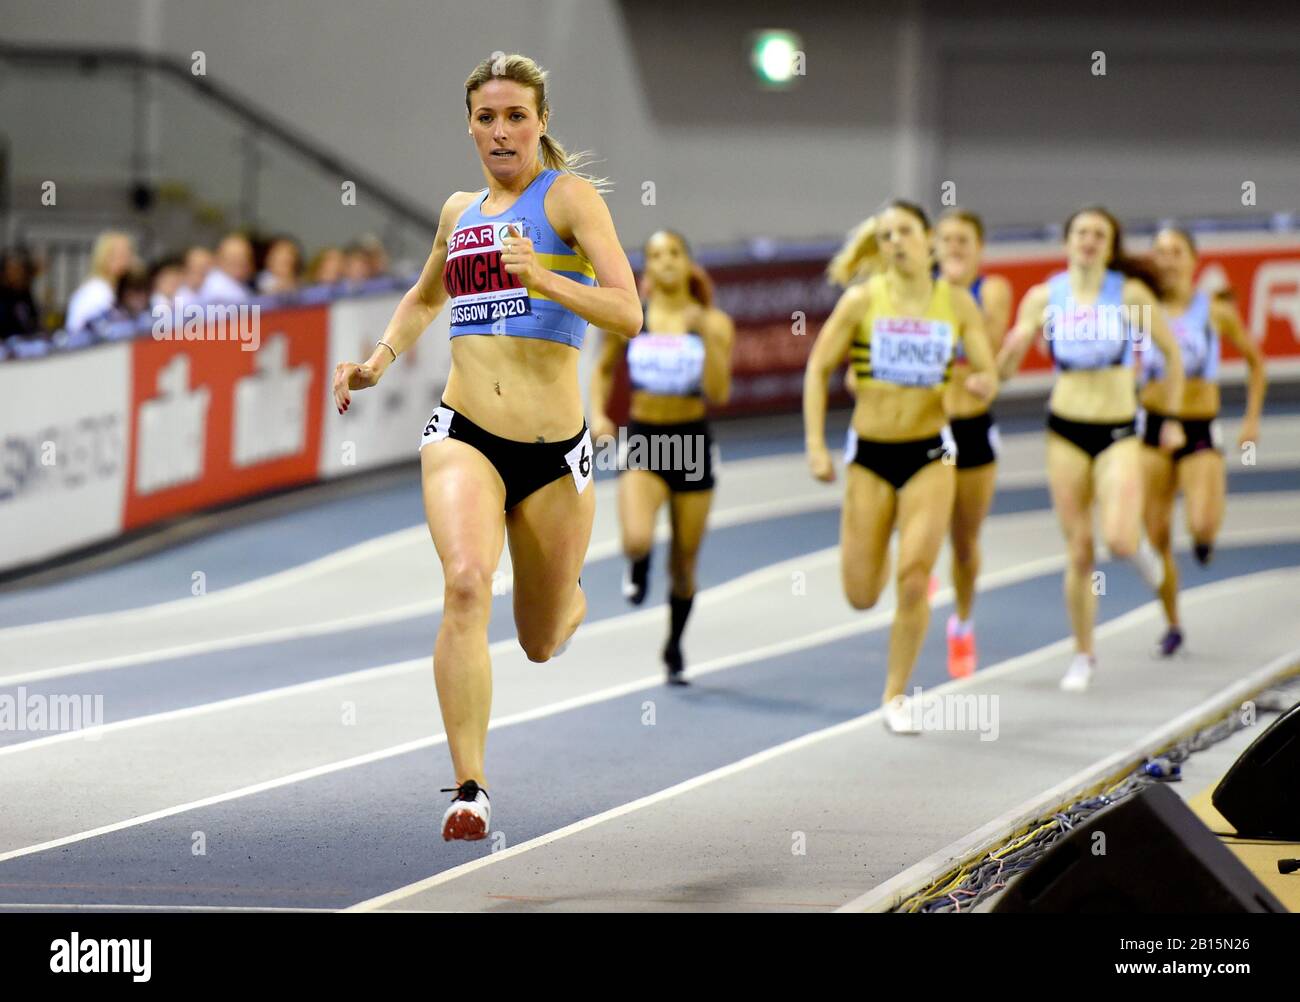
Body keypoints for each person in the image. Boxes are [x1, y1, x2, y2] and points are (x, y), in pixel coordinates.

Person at [332, 53, 641, 840]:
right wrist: (377, 361)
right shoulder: (459, 211)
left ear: (540, 122)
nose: (501, 130)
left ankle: (569, 599)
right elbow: (427, 292)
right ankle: (470, 788)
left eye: (516, 116)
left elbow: (627, 311)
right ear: (469, 124)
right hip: (464, 431)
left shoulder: (566, 200)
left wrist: (544, 276)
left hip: (554, 452)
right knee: (467, 583)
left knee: (539, 641)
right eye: (486, 117)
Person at [804, 201, 998, 734]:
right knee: (862, 594)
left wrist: (984, 382)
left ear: (929, 239)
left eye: (905, 231)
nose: (895, 242)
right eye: (886, 234)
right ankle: (882, 543)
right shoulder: (862, 300)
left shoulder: (956, 303)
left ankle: (895, 695)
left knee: (914, 580)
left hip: (930, 454)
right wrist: (817, 445)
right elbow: (818, 368)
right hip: (870, 454)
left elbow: (986, 368)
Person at [997, 206, 1186, 692]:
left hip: (1118, 429)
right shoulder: (1044, 298)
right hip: (1064, 430)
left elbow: (1172, 354)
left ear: (1110, 245)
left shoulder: (1130, 295)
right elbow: (1010, 361)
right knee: (1079, 550)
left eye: (1099, 234)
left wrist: (1169, 418)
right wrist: (999, 363)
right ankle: (1083, 654)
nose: (1088, 240)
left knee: (1119, 540)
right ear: (1066, 242)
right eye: (1080, 232)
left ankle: (1140, 550)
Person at [590, 230, 734, 684]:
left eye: (674, 253)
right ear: (646, 269)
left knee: (686, 564)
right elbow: (603, 369)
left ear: (690, 264)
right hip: (646, 441)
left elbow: (719, 392)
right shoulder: (635, 317)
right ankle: (639, 562)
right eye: (655, 255)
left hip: (692, 443)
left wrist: (706, 335)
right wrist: (598, 415)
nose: (665, 261)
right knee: (635, 538)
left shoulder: (714, 322)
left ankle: (673, 644)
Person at [1140, 227, 1267, 656]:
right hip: (1152, 427)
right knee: (1156, 536)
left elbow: (1256, 364)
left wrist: (1251, 420)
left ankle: (1204, 538)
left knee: (1202, 524)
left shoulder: (1215, 311)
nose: (1168, 259)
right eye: (1160, 252)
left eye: (1176, 251)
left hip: (1197, 427)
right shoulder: (1141, 307)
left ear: (1194, 260)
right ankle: (1172, 623)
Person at [65, 231, 136, 332]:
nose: (126, 259)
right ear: (103, 257)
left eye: (128, 254)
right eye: (119, 254)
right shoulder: (96, 291)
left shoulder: (115, 289)